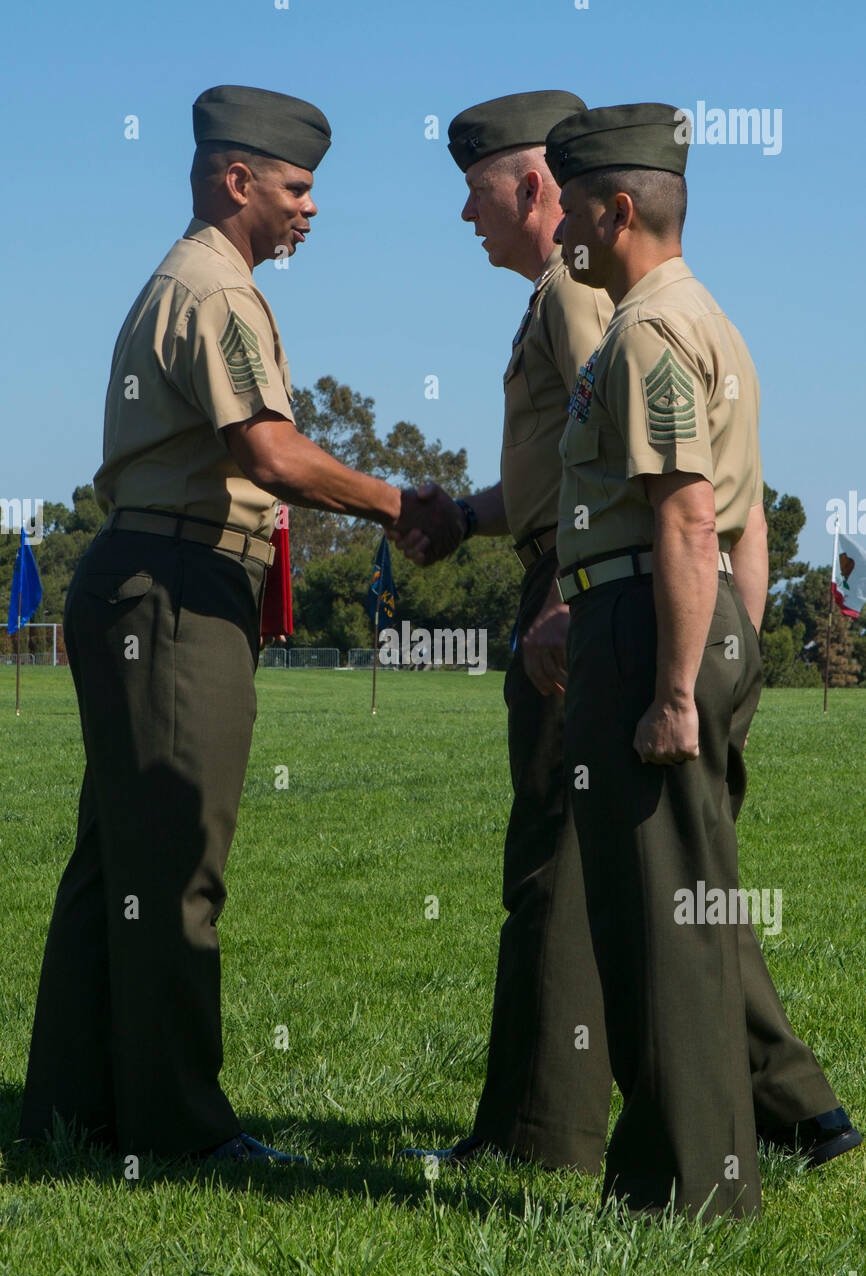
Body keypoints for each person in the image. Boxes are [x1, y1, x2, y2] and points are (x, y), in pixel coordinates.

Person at [18, 83, 460, 1167]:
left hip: (145, 573)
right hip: (177, 586)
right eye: (298, 187)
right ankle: (177, 1128)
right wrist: (402, 505)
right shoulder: (216, 291)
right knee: (174, 862)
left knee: (115, 856)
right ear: (238, 179)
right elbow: (266, 452)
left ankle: (73, 1109)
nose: (311, 209)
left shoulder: (186, 280)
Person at [544, 101, 859, 1217]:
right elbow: (744, 524)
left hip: (651, 628)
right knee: (692, 907)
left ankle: (689, 1190)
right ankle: (714, 1161)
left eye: (571, 209)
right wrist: (729, 647)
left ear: (615, 208)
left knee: (659, 920)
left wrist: (678, 686)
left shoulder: (642, 332)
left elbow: (682, 516)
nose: (558, 230)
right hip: (684, 614)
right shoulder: (710, 320)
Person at [395, 90, 615, 1170]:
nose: (465, 217)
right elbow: (551, 465)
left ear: (531, 186)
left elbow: (611, 442)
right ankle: (783, 1101)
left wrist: (574, 592)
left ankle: (535, 1138)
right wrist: (465, 517)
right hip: (556, 571)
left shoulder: (571, 290)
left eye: (474, 194)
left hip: (566, 593)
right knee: (576, 858)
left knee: (549, 865)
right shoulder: (554, 289)